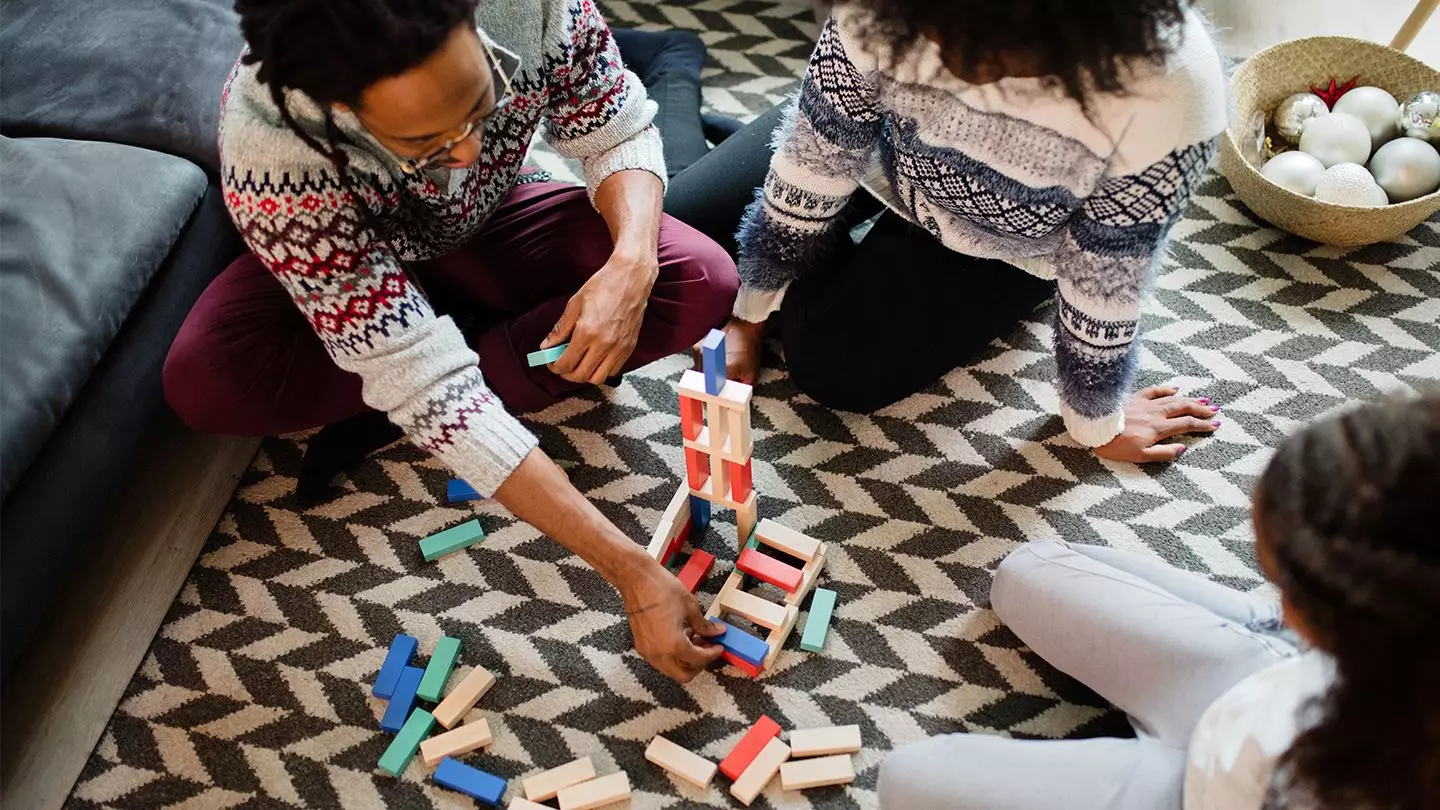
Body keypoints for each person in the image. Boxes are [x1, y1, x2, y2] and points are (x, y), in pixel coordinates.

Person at [163, 0, 741, 681]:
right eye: (426, 143)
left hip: (491, 223)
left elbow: (612, 125)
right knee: (208, 379)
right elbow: (432, 394)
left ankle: (434, 342)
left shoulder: (533, 7)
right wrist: (630, 569)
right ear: (341, 110)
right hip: (355, 251)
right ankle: (435, 340)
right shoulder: (276, 151)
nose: (467, 153)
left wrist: (631, 264)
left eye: (480, 101)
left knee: (697, 277)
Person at [665, 0, 1229, 463]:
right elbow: (818, 154)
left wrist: (1096, 423)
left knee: (833, 367)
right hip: (882, 156)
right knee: (673, 234)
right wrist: (750, 309)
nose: (959, 70)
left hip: (1009, 240)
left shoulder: (1170, 85)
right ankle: (677, 71)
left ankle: (781, 198)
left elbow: (1106, 273)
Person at [877, 393, 1440, 809]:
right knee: (1025, 572)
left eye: (1285, 584)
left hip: (1200, 796)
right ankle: (1271, 639)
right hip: (1259, 675)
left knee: (905, 779)